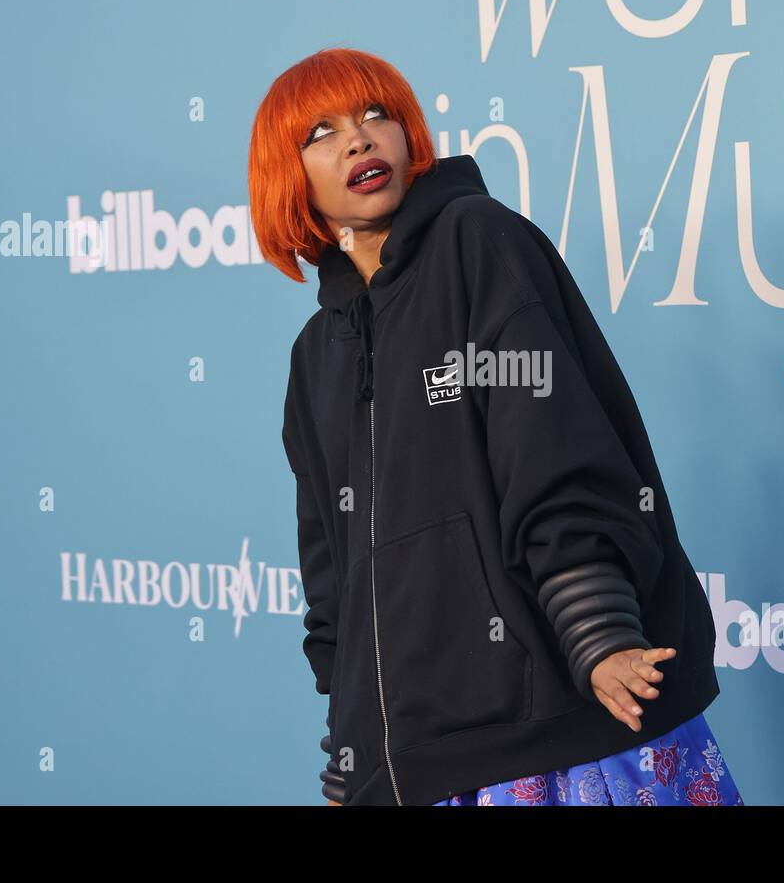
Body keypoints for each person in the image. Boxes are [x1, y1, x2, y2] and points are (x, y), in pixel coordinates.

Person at [250, 47, 742, 807]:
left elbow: (556, 446)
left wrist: (600, 632)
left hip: (562, 734)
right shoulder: (315, 356)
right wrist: (353, 742)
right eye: (321, 131)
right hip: (425, 765)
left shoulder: (477, 242)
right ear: (287, 179)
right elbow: (334, 573)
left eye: (376, 115)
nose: (359, 139)